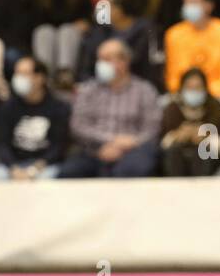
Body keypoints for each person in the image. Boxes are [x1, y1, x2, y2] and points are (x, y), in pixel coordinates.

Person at [61, 38, 162, 178]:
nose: (101, 64)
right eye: (100, 59)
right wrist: (111, 140)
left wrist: (132, 142)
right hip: (94, 149)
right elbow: (78, 125)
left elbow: (152, 128)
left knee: (134, 168)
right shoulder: (88, 90)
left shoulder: (145, 90)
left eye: (107, 59)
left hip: (133, 149)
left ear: (124, 61)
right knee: (68, 172)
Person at [0, 57, 70, 179]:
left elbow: (58, 146)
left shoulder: (58, 107)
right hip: (14, 163)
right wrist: (13, 168)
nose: (18, 78)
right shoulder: (8, 106)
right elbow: (2, 143)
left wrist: (36, 168)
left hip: (45, 165)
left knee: (47, 182)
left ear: (39, 78)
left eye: (24, 74)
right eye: (16, 73)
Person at [163, 0, 220, 97]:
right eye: (186, 2)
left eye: (194, 2)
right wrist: (183, 92)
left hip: (219, 95)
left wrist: (209, 94)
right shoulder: (173, 34)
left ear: (209, 5)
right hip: (182, 95)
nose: (188, 6)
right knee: (164, 105)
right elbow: (171, 74)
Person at [76, 0, 159, 87]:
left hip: (135, 89)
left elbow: (149, 69)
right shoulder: (99, 30)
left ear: (121, 8)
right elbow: (85, 69)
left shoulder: (146, 30)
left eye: (106, 4)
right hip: (99, 89)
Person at [29, 0, 88, 84]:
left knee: (66, 31)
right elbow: (34, 20)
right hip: (48, 33)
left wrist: (85, 24)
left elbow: (89, 18)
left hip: (70, 33)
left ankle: (65, 74)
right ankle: (44, 76)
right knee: (44, 32)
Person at [159, 66, 220, 177]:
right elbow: (162, 143)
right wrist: (177, 135)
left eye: (198, 87)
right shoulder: (172, 108)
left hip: (208, 158)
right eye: (189, 87)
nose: (194, 91)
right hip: (177, 155)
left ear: (205, 89)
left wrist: (206, 136)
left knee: (202, 152)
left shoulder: (216, 108)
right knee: (173, 153)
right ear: (182, 88)